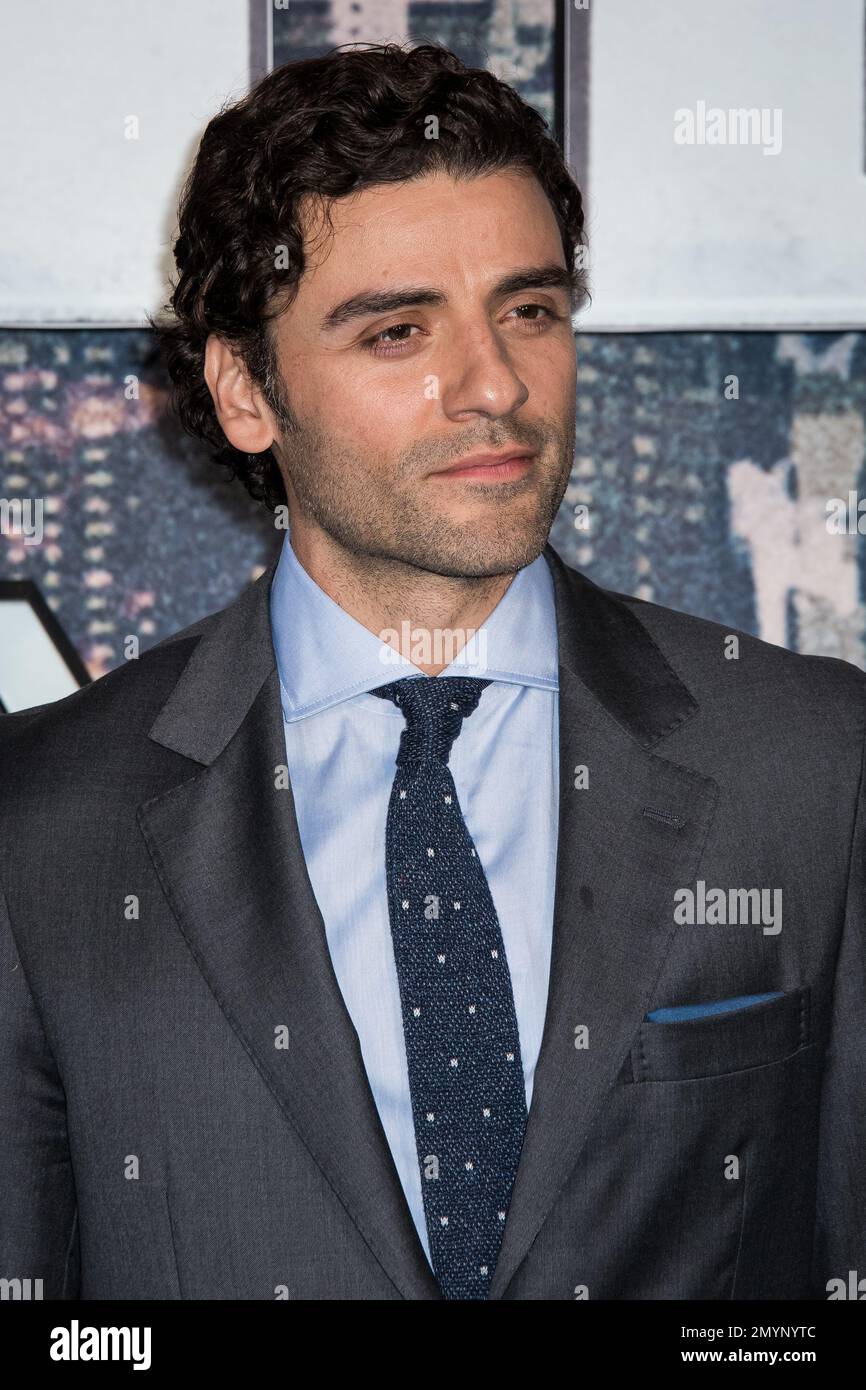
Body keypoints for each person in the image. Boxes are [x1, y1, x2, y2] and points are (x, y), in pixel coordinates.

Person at [1, 42, 863, 1302]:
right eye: (399, 329)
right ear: (245, 387)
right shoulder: (40, 825)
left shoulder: (811, 765)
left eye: (529, 309)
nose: (496, 384)